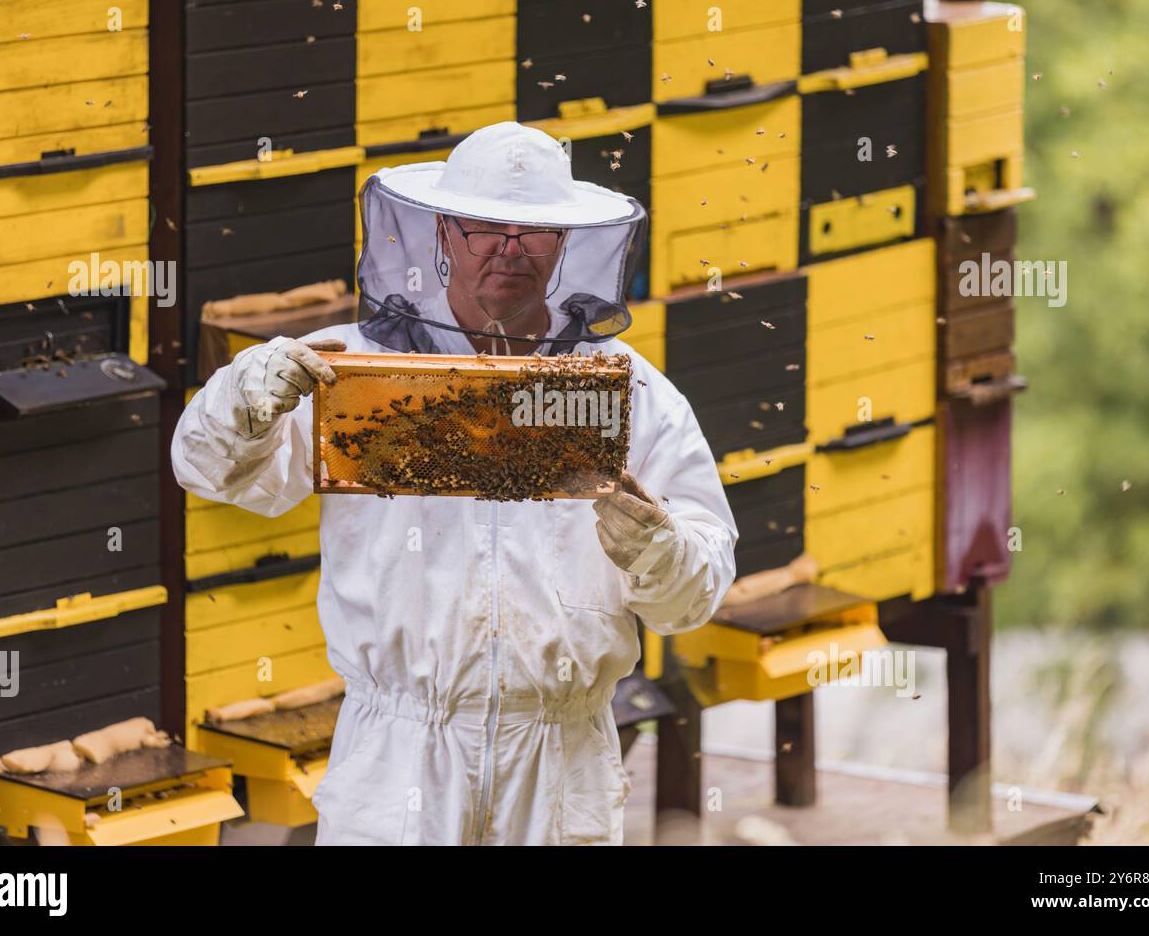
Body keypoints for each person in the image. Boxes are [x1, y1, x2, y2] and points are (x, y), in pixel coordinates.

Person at [171, 121, 738, 845]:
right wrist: (244, 398)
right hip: (398, 754)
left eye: (532, 230)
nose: (509, 246)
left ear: (564, 243)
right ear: (441, 234)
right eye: (484, 227)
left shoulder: (632, 393)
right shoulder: (355, 373)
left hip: (560, 763)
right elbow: (207, 468)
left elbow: (697, 592)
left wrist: (659, 550)